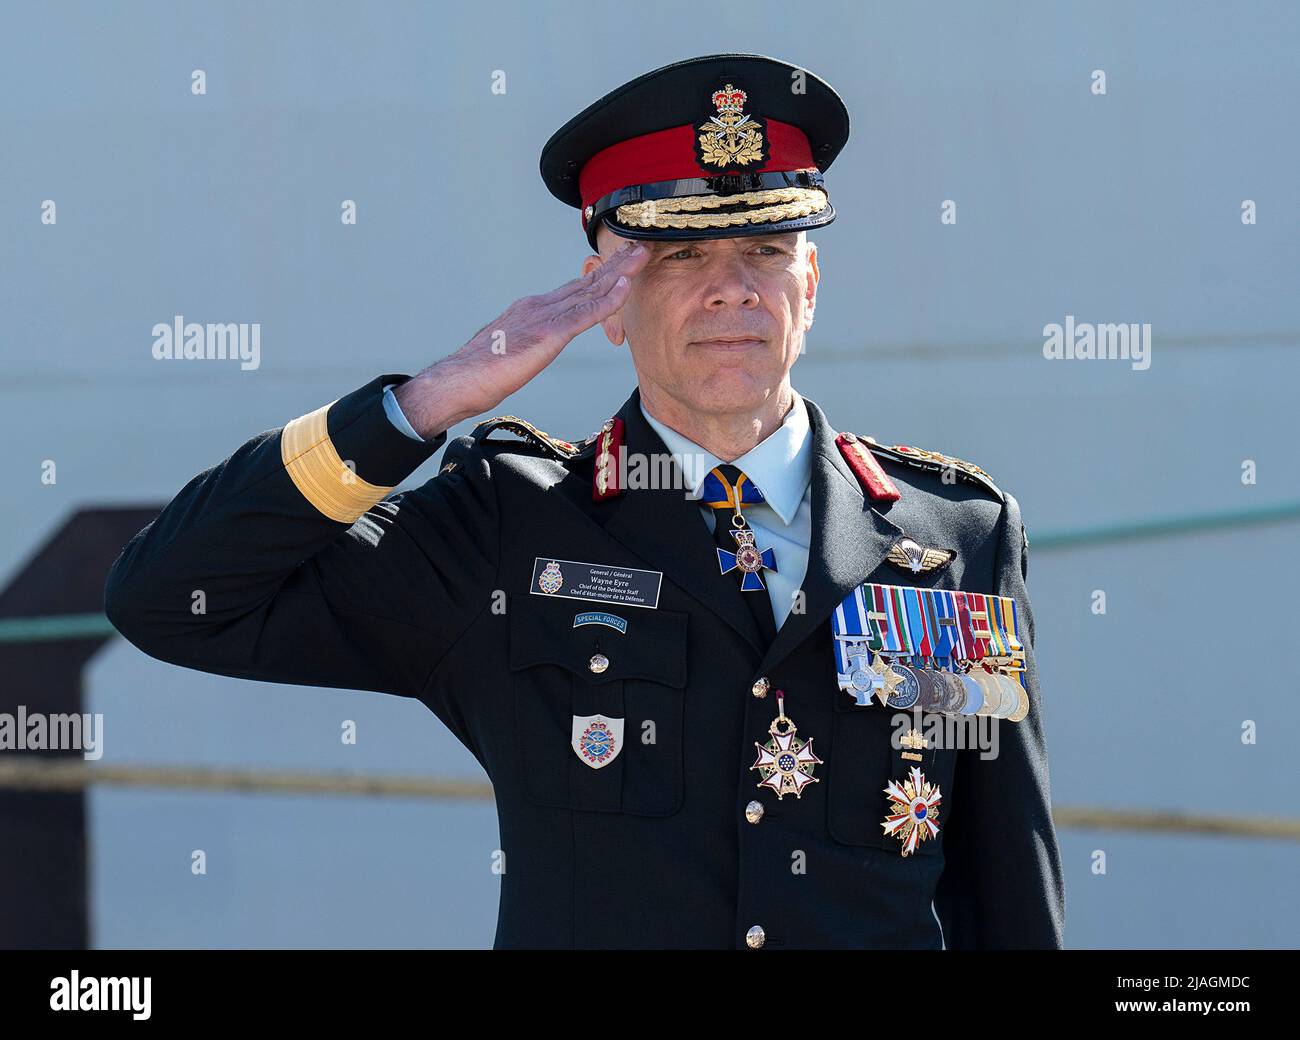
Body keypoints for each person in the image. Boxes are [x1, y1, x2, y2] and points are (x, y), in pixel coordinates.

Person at [105, 53, 1065, 949]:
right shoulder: (506, 528)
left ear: (809, 283)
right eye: (681, 258)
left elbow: (1007, 895)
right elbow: (170, 597)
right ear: (602, 298)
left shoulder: (953, 536)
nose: (733, 291)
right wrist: (430, 398)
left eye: (768, 249)